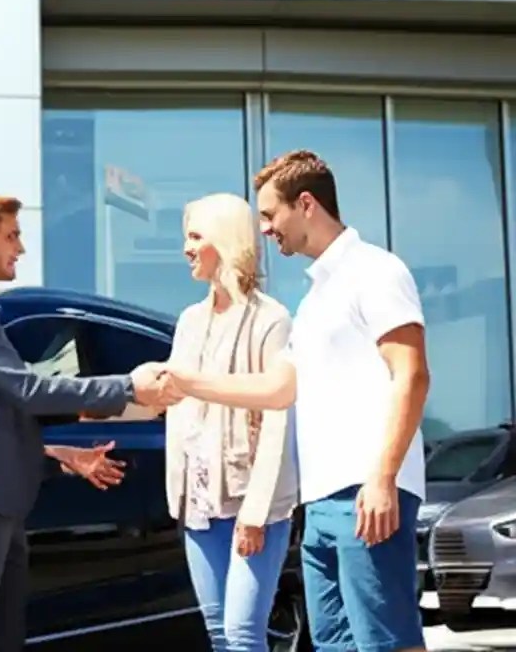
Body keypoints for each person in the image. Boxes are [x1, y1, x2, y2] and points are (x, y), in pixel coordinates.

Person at [162, 151, 431, 652]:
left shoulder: (376, 271)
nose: (264, 229)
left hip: (367, 492)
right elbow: (277, 390)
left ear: (305, 204)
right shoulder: (314, 301)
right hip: (321, 501)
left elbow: (411, 376)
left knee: (385, 640)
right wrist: (183, 383)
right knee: (333, 642)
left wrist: (383, 477)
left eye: (269, 215)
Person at [0, 192, 178, 652]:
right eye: (12, 235)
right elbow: (26, 390)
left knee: (1, 640)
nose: (20, 248)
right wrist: (127, 387)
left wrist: (60, 454)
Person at [164, 192, 298, 652]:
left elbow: (279, 416)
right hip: (199, 506)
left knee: (243, 635)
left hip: (250, 504)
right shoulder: (188, 321)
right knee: (221, 637)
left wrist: (256, 512)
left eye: (195, 236)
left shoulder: (271, 318)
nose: (185, 248)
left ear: (225, 239)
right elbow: (170, 392)